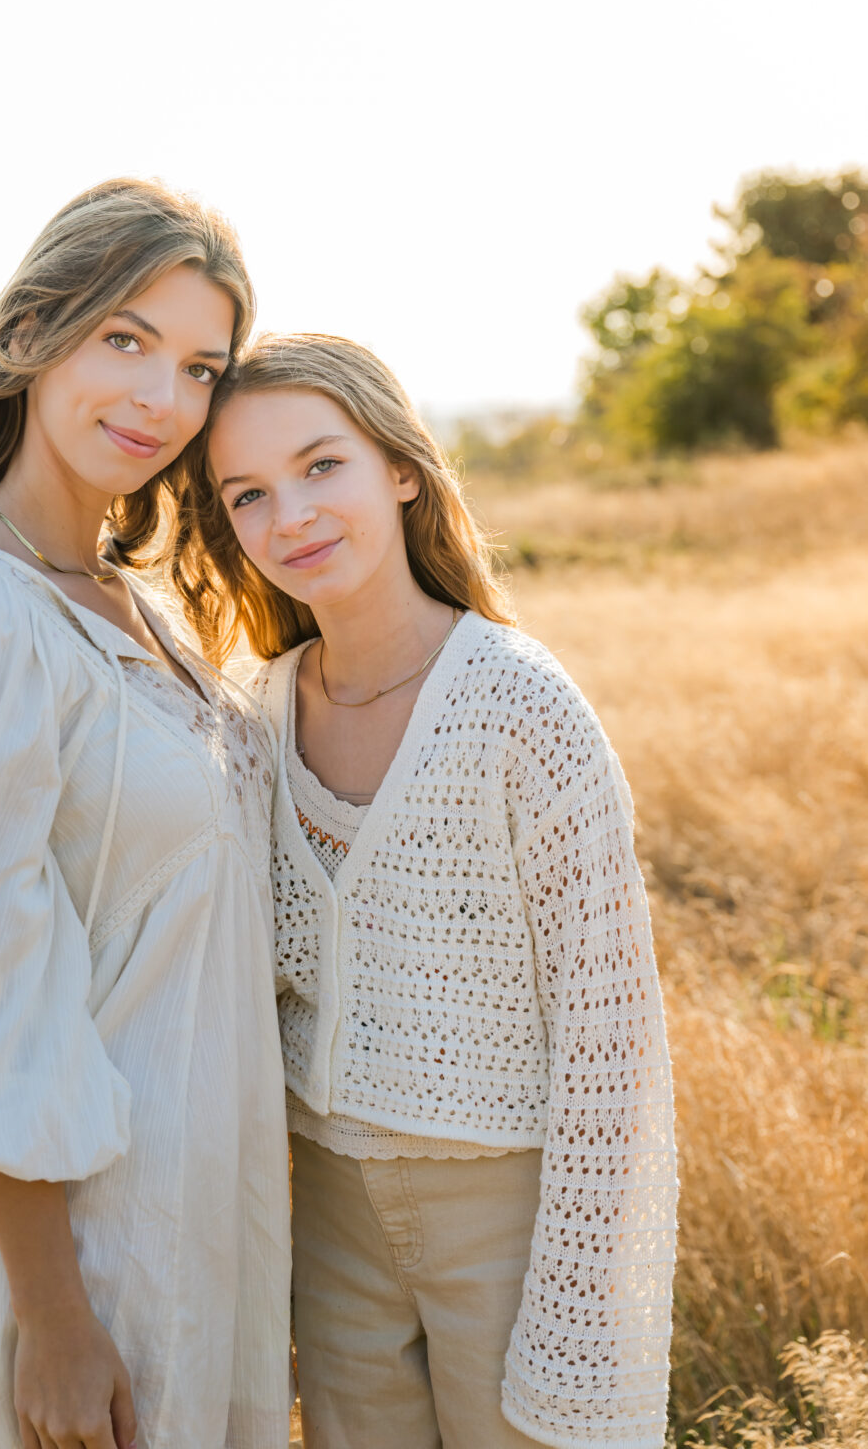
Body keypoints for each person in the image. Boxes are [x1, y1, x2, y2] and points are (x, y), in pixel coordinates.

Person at [0, 179, 292, 1449]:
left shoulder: (144, 603)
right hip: (90, 1253)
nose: (160, 399)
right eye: (125, 340)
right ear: (38, 328)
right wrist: (55, 1317)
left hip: (211, 1217)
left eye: (199, 367)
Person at [170, 331, 679, 1449]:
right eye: (246, 494)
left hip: (504, 1218)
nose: (289, 515)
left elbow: (610, 1039)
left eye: (320, 465)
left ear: (399, 467)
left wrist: (578, 1320)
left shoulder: (519, 711)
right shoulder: (252, 718)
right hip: (327, 1220)